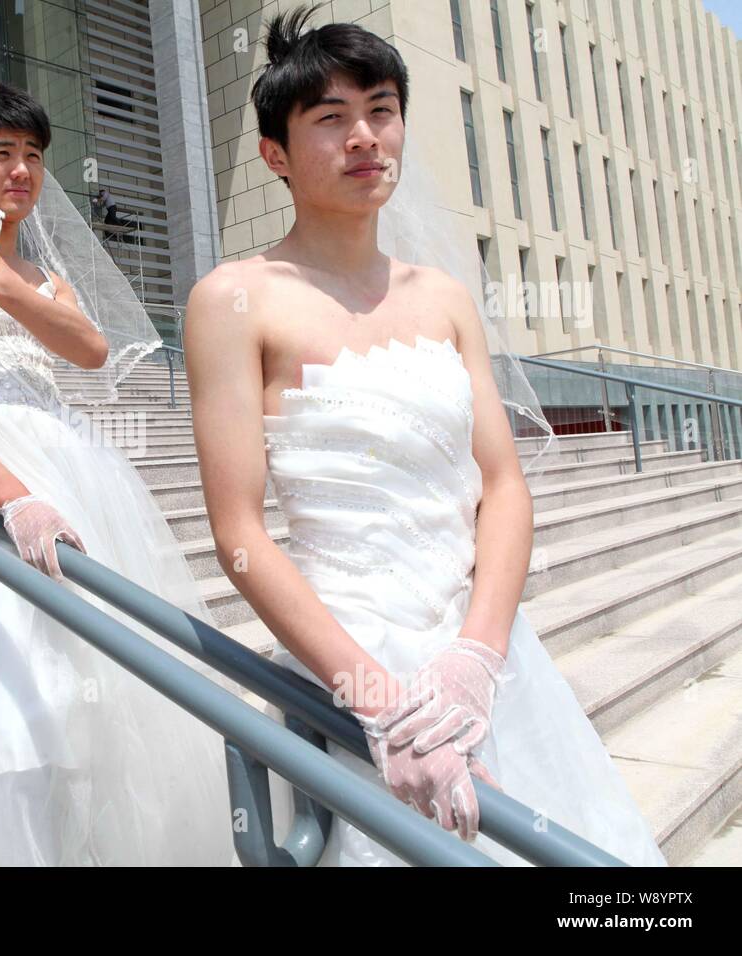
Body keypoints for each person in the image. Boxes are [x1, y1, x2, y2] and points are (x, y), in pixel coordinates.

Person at [183, 6, 666, 866]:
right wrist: (378, 697)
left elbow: (504, 485)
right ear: (275, 156)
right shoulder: (233, 299)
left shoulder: (443, 295)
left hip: (485, 651)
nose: (365, 136)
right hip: (357, 658)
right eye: (330, 119)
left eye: (382, 109)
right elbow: (239, 533)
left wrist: (479, 655)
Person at [0, 81, 235, 866]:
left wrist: (0, 285)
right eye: (2, 153)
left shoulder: (44, 277)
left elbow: (91, 350)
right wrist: (11, 497)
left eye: (35, 157)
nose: (21, 171)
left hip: (78, 468)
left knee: (106, 687)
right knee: (10, 695)